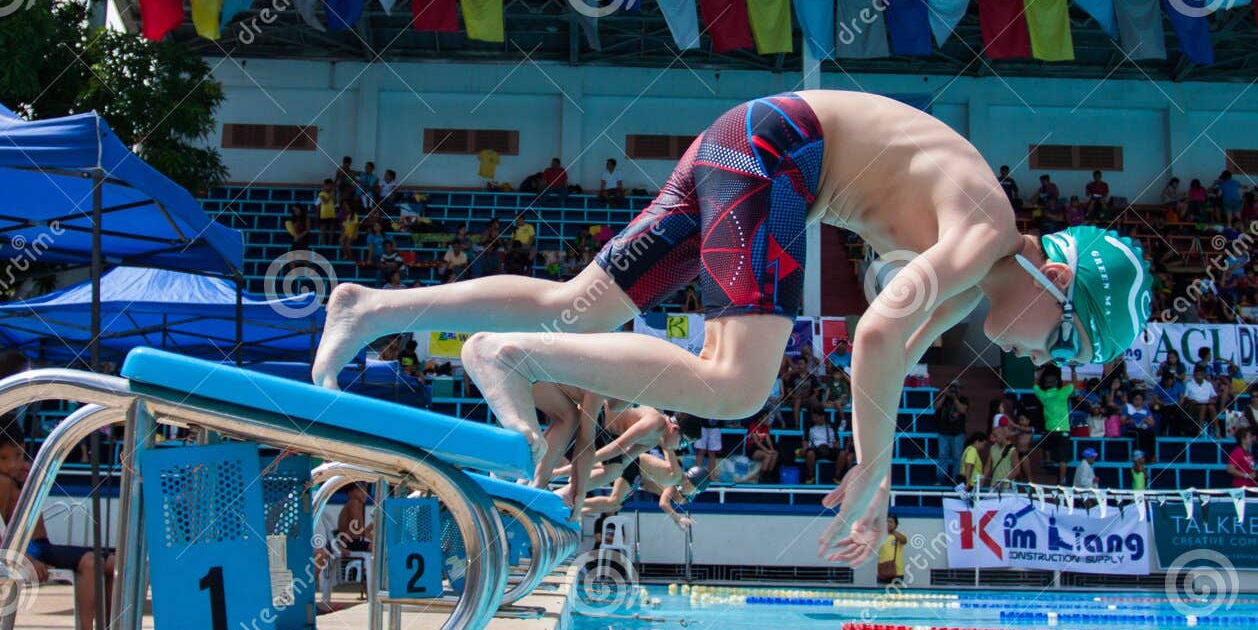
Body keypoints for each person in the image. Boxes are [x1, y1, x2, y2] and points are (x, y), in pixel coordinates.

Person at [311, 90, 1152, 565]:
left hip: (747, 146)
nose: (1045, 357)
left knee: (586, 304)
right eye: (1064, 339)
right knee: (739, 380)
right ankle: (511, 356)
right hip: (778, 159)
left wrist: (878, 476)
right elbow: (874, 338)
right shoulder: (986, 231)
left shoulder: (967, 292)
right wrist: (873, 464)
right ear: (1058, 276)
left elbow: (891, 355)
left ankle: (368, 308)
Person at [0, 426, 115, 630]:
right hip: (27, 549)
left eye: (18, 455)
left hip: (42, 545)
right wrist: (24, 558)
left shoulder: (19, 475)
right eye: (3, 458)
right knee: (90, 562)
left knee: (113, 565)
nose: (12, 463)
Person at [934, 382, 969, 481]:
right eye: (951, 389)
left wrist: (955, 399)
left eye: (956, 389)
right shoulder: (943, 398)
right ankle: (941, 478)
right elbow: (935, 407)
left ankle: (955, 479)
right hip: (943, 432)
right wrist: (944, 395)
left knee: (957, 458)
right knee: (942, 457)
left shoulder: (963, 399)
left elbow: (962, 410)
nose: (953, 391)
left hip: (958, 433)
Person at [877, 515, 908, 584]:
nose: (888, 524)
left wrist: (892, 531)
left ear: (896, 524)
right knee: (881, 594)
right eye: (887, 522)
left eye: (891, 522)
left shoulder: (899, 535)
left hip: (897, 573)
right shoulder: (880, 536)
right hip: (883, 572)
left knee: (896, 594)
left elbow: (904, 540)